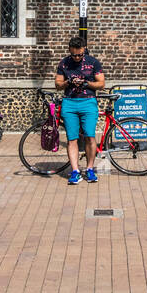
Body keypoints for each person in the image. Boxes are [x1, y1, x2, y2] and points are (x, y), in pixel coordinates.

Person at [55, 36, 105, 184]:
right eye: (73, 55)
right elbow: (58, 84)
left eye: (79, 54)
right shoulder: (64, 63)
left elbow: (101, 83)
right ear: (70, 51)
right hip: (69, 103)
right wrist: (67, 82)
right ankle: (75, 171)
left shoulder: (93, 62)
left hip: (88, 102)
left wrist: (87, 83)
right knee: (72, 139)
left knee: (90, 136)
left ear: (84, 50)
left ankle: (90, 169)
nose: (76, 57)